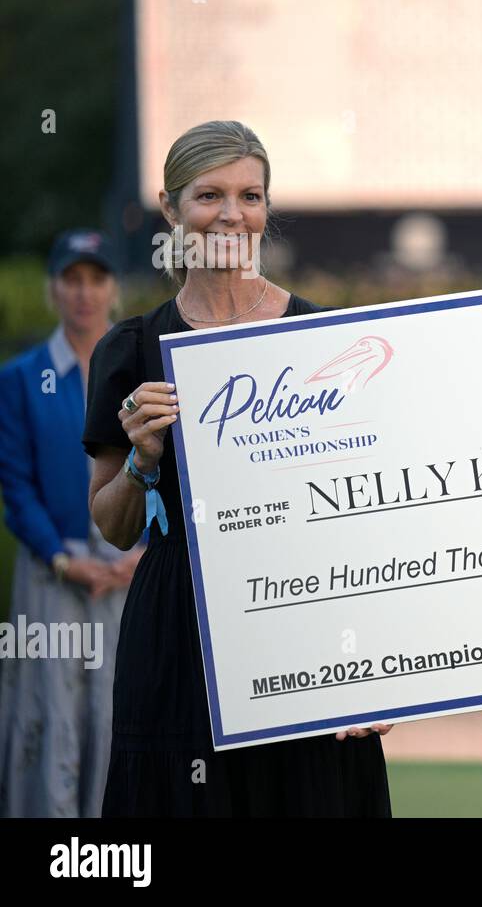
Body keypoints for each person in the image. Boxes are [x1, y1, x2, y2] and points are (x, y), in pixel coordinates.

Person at [83, 120, 392, 816]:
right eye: (209, 195)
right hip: (177, 632)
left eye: (250, 196)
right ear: (170, 208)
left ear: (266, 208)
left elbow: (361, 519)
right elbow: (109, 524)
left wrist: (377, 663)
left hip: (304, 620)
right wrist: (141, 459)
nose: (231, 214)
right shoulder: (129, 349)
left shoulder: (322, 337)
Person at [0, 231, 139, 816]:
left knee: (115, 712)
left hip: (127, 573)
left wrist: (135, 561)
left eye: (96, 279)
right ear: (54, 289)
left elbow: (163, 474)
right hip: (53, 572)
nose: (84, 293)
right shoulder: (22, 377)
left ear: (113, 288)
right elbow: (16, 485)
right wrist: (64, 559)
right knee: (50, 715)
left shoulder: (136, 369)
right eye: (72, 279)